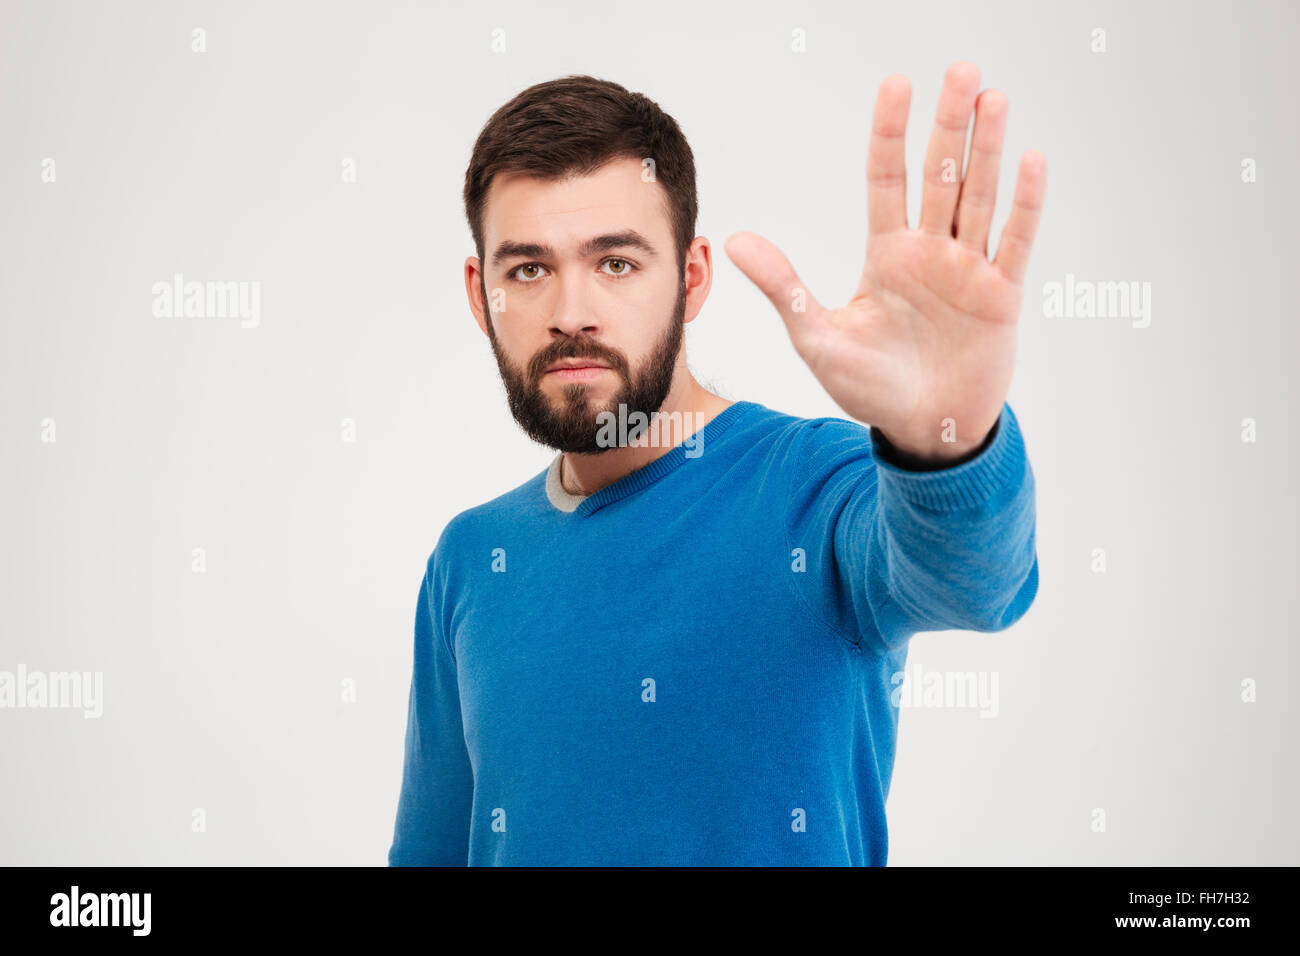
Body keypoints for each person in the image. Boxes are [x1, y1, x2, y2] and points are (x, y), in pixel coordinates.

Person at [388, 62, 1044, 865]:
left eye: (617, 263)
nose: (570, 315)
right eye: (529, 269)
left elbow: (973, 584)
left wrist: (945, 436)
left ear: (692, 278)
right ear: (478, 292)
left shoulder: (817, 486)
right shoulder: (468, 559)